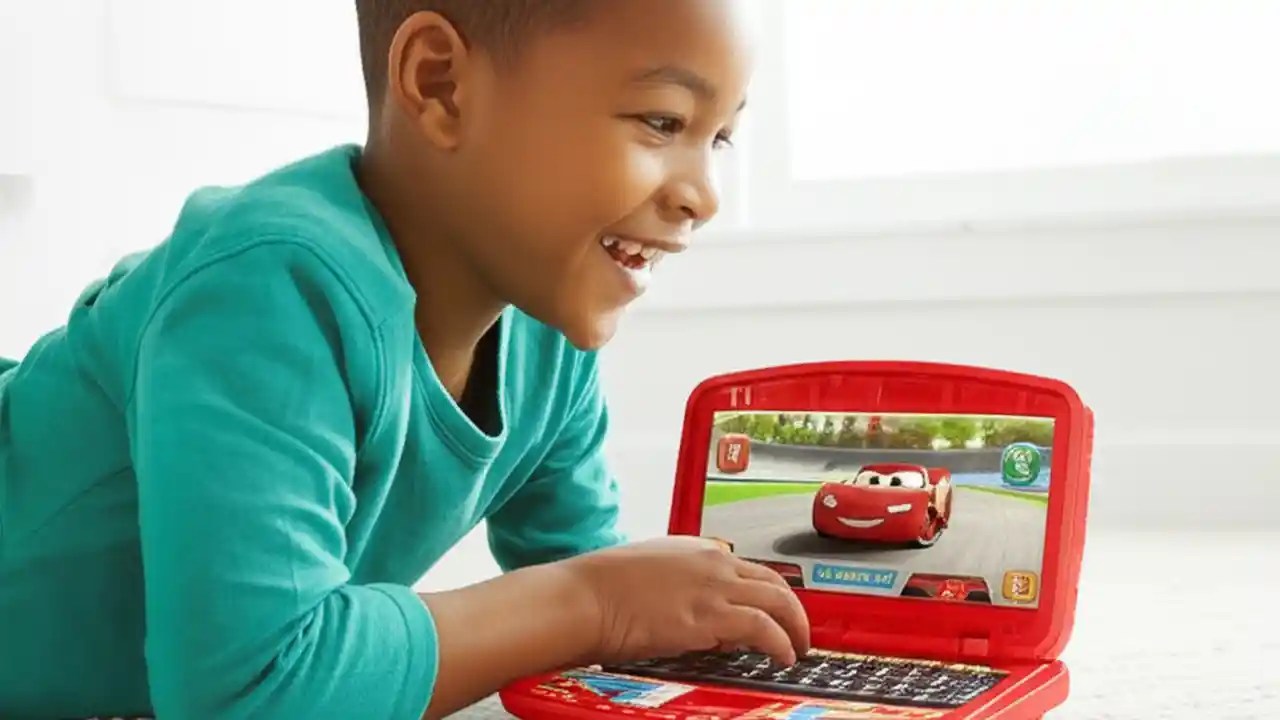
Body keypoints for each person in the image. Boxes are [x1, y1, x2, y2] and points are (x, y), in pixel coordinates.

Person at [0, 1, 810, 719]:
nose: (703, 194)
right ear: (441, 85)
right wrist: (593, 601)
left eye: (722, 135)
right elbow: (249, 688)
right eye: (663, 122)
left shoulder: (545, 332)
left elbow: (598, 592)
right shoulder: (273, 285)